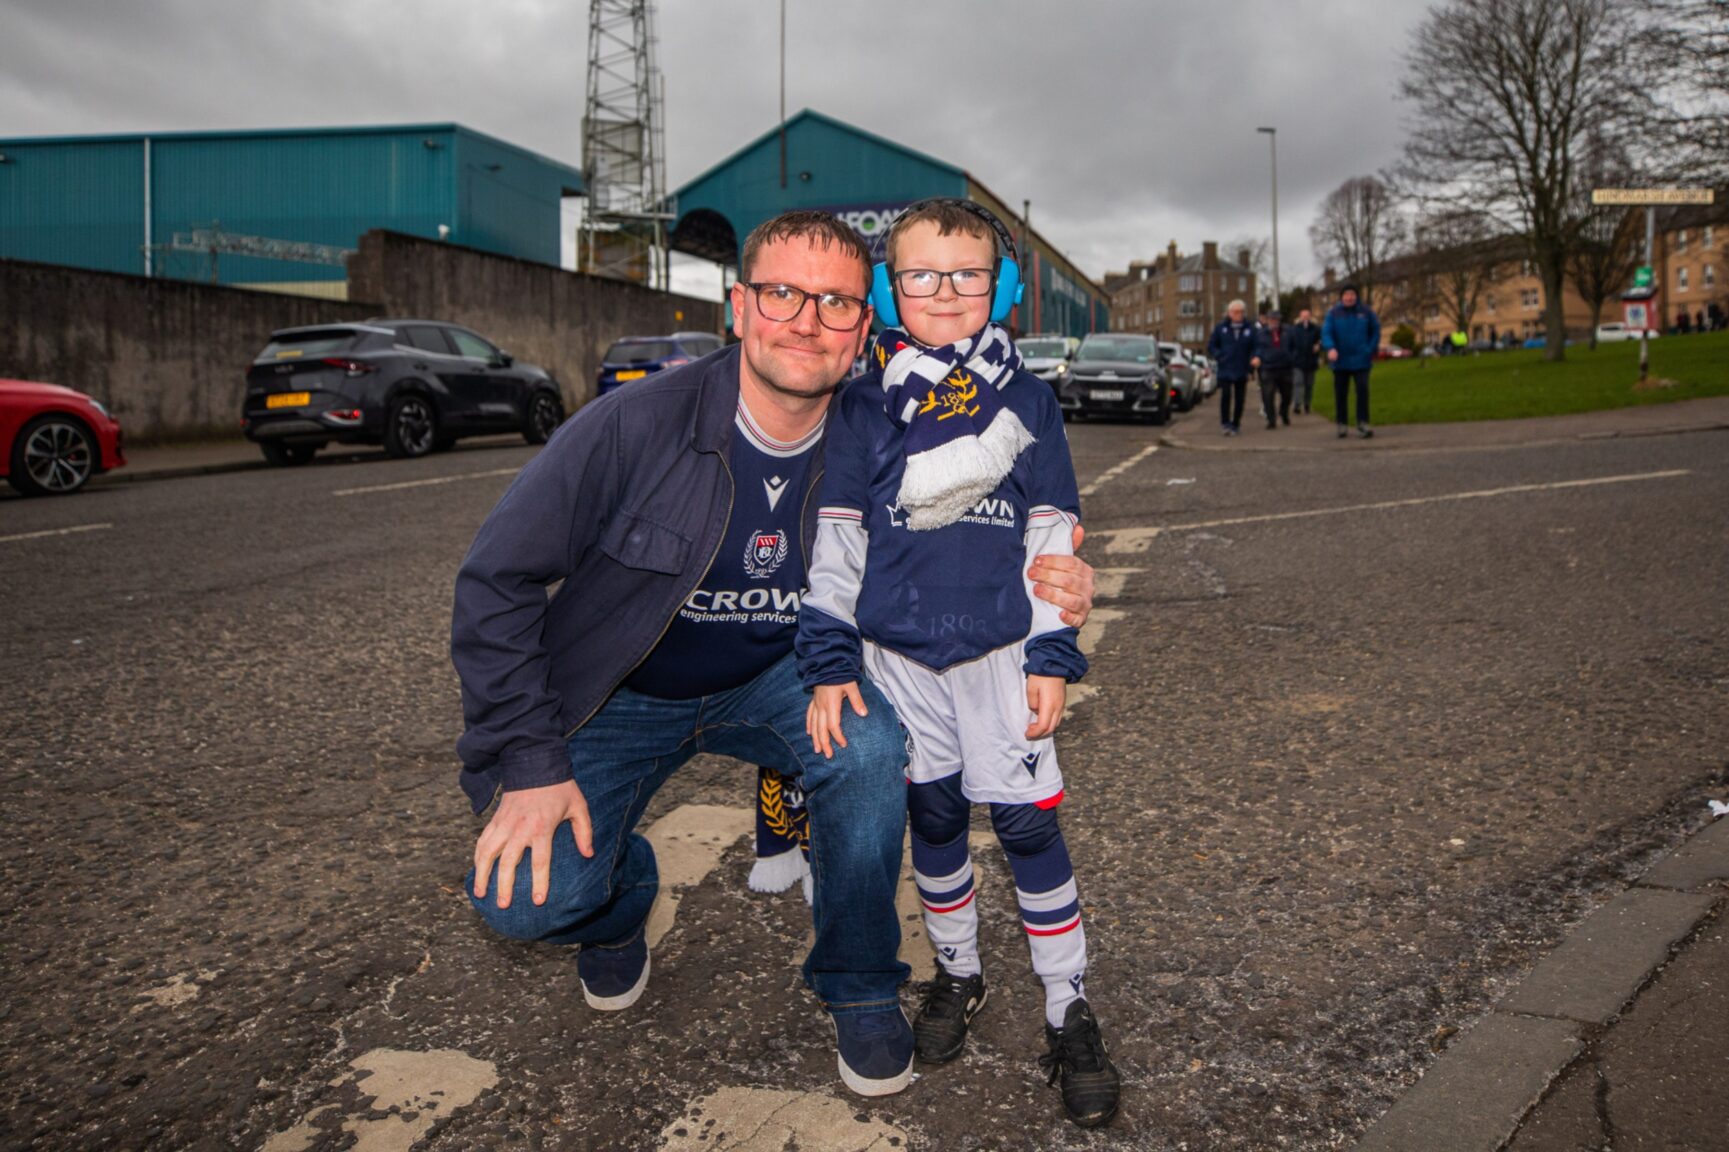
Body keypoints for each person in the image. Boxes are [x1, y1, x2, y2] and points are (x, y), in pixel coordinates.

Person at [449, 209, 1097, 1101]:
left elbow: (999, 509)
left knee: (872, 748)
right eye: (783, 294)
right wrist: (527, 760)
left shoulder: (880, 423)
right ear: (739, 306)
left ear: (863, 322)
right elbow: (493, 582)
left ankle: (861, 985)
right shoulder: (632, 426)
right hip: (624, 689)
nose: (807, 321)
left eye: (834, 302)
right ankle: (617, 904)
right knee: (528, 900)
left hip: (777, 675)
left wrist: (1058, 585)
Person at [797, 199, 1120, 1128]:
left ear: (1002, 288)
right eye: (921, 275)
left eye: (967, 274)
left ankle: (1067, 1006)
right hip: (897, 660)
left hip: (1000, 656)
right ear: (891, 290)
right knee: (932, 819)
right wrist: (827, 660)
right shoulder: (861, 404)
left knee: (1026, 832)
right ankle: (959, 971)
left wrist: (1053, 651)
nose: (945, 292)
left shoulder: (1027, 397)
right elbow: (839, 541)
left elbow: (1055, 535)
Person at [1322, 283, 1382, 439]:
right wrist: (1331, 348)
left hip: (1361, 360)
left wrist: (1369, 348)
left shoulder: (1366, 312)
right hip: (1340, 361)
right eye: (1346, 295)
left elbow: (1375, 330)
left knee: (1362, 391)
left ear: (1357, 296)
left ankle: (1363, 423)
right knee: (1341, 394)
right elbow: (1326, 332)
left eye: (1352, 294)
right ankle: (1341, 424)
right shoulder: (1333, 313)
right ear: (1342, 297)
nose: (1349, 297)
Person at [1206, 299, 1258, 436]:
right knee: (1226, 395)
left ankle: (1236, 423)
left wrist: (1255, 358)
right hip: (1225, 367)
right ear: (1229, 313)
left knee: (1240, 398)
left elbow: (1256, 346)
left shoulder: (1250, 329)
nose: (1237, 314)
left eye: (1240, 312)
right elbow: (1211, 345)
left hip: (1242, 367)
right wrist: (1219, 356)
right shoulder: (1221, 328)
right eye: (1235, 312)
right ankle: (1225, 423)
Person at [1251, 310, 1296, 428]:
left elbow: (1295, 346)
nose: (1274, 322)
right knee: (1268, 394)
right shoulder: (1261, 334)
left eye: (1276, 319)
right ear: (1268, 320)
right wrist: (1256, 357)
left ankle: (1284, 412)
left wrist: (1292, 358)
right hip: (1268, 368)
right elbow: (1256, 348)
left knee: (1287, 394)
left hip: (1285, 367)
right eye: (1271, 319)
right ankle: (1271, 420)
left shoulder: (1288, 331)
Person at [1290, 308, 1322, 413]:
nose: (1305, 317)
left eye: (1307, 315)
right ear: (1300, 317)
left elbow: (1321, 341)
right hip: (1298, 361)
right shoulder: (1294, 329)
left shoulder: (1316, 329)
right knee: (1298, 382)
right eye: (1303, 316)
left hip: (1311, 360)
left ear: (1310, 316)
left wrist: (1319, 346)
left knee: (1309, 384)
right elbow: (1290, 344)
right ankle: (1297, 404)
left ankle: (1307, 403)